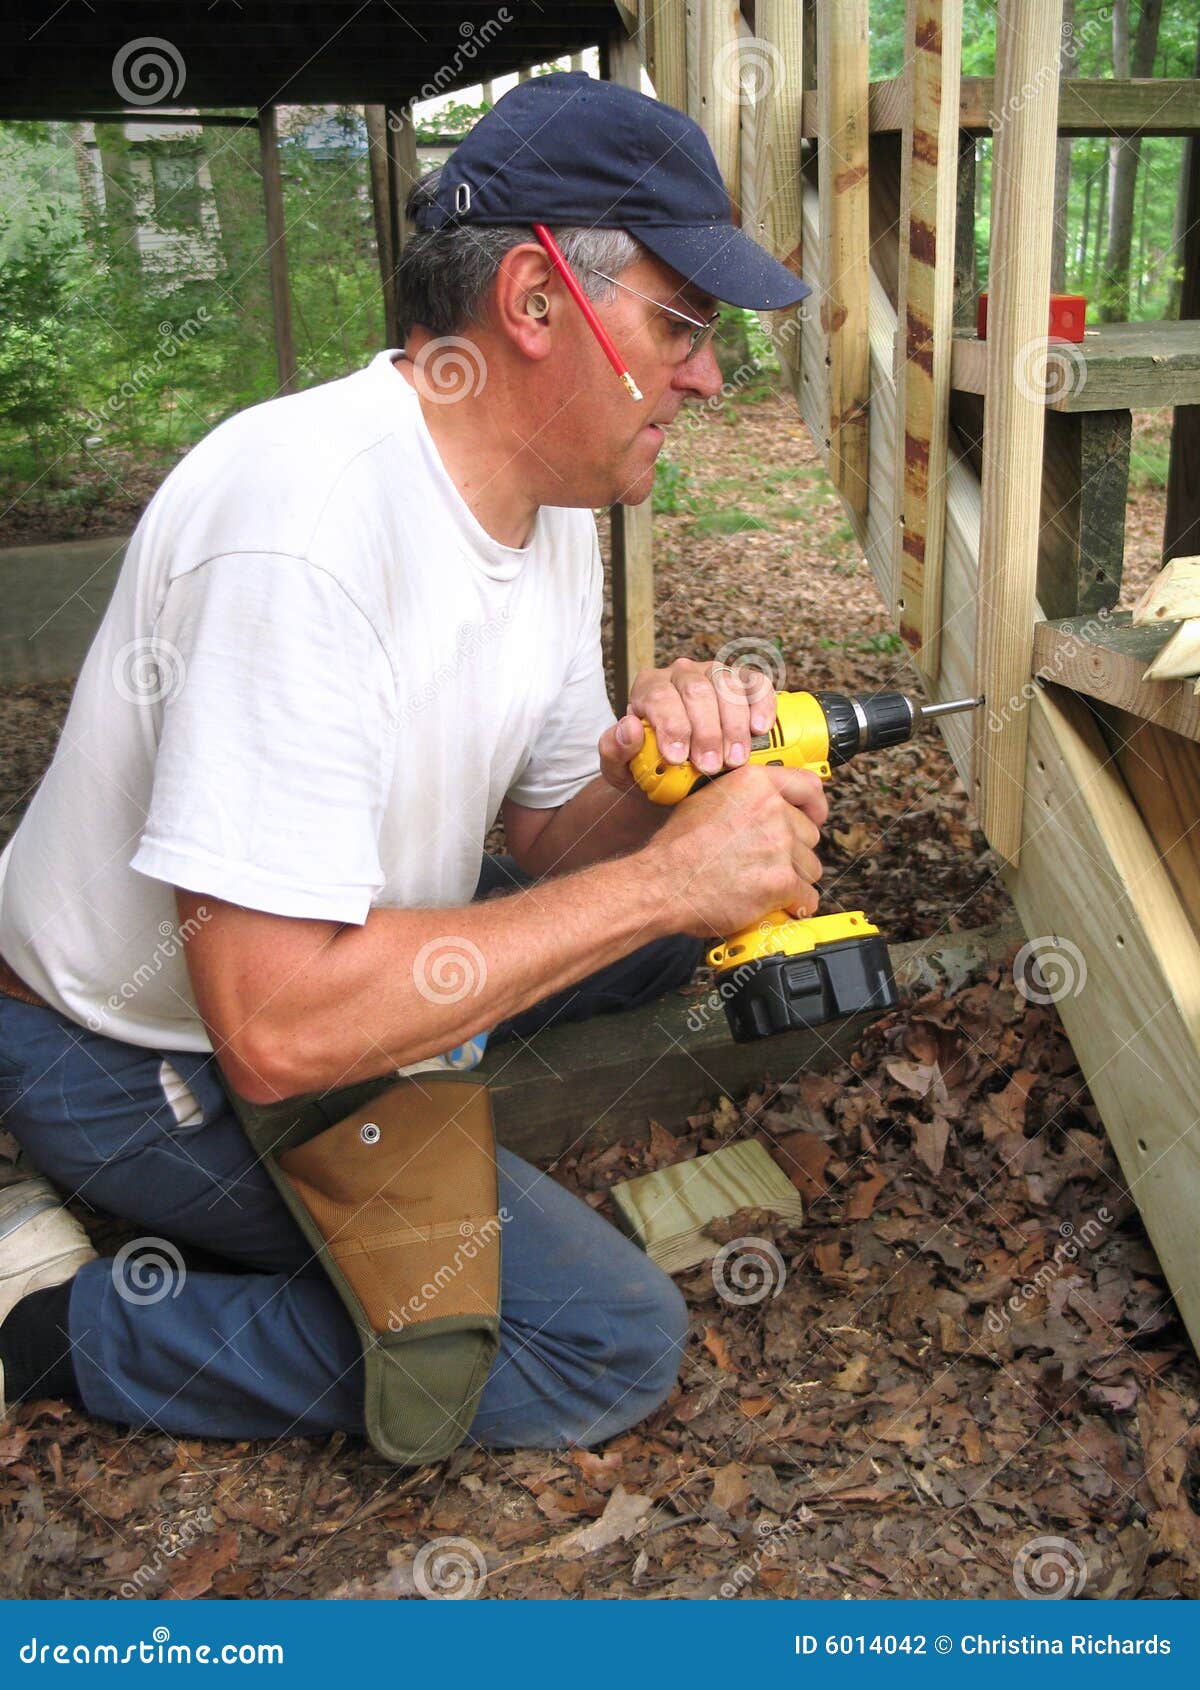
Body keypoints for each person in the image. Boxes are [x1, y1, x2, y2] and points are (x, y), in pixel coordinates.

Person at [0, 73, 825, 1448]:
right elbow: (273, 1032)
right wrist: (663, 880)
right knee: (602, 1341)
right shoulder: (302, 530)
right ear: (535, 299)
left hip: (329, 941)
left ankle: (350, 1134)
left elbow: (552, 834)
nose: (707, 375)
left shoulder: (550, 502)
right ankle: (64, 1323)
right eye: (681, 325)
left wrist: (663, 777)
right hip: (136, 1051)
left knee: (669, 935)